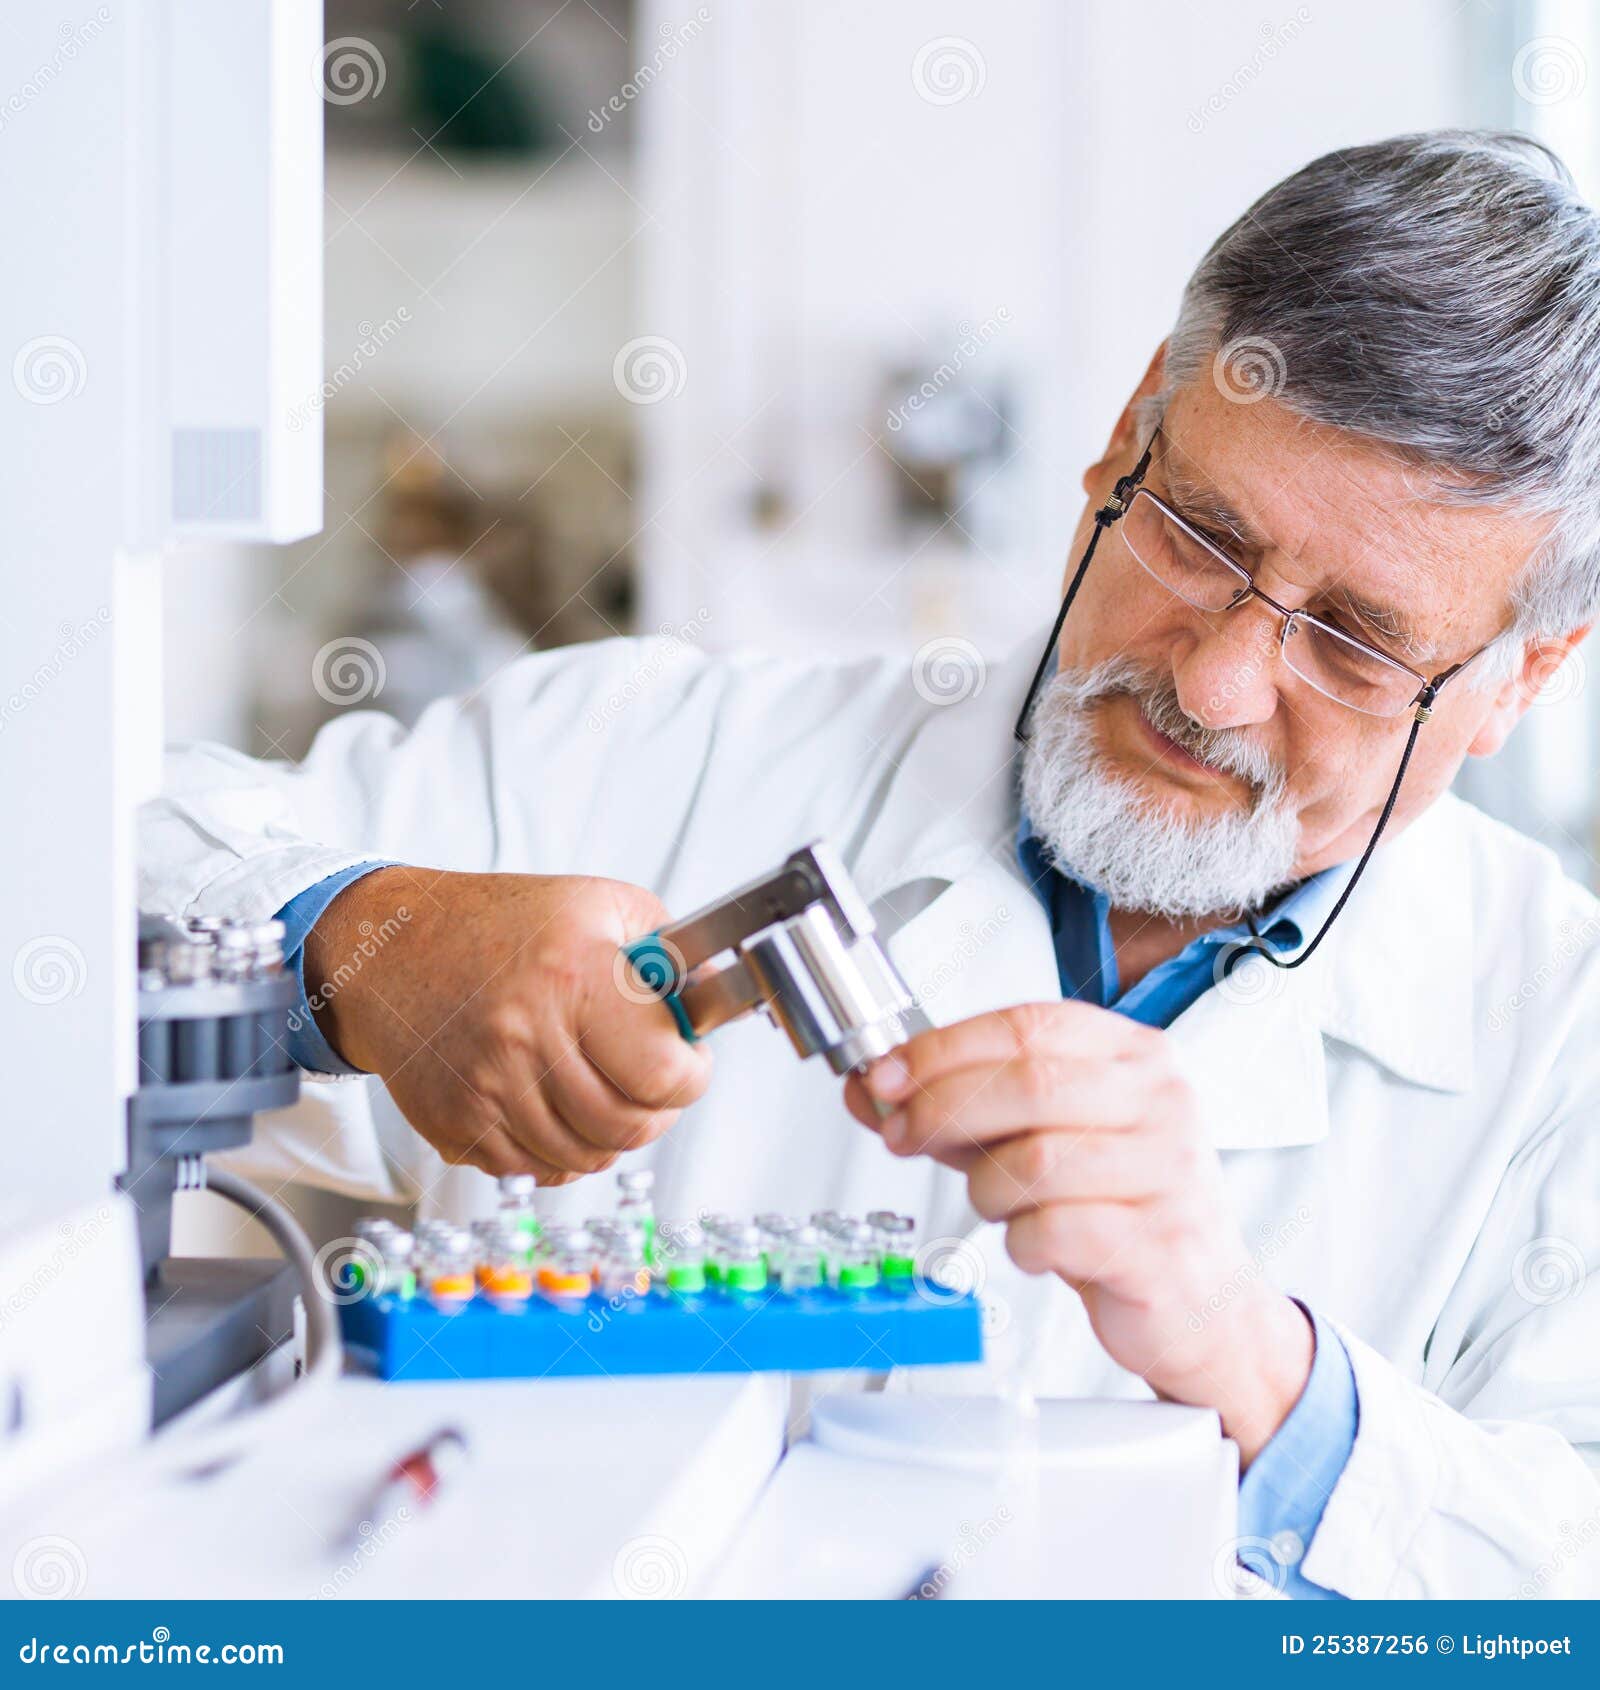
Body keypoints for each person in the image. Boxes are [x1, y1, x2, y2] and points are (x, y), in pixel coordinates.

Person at [141, 131, 1600, 1598]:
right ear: (1121, 443)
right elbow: (74, 899)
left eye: (1352, 640)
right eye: (1194, 534)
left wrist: (1259, 1367)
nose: (1218, 681)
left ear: (1523, 676)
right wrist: (356, 945)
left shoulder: (1561, 1038)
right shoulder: (646, 756)